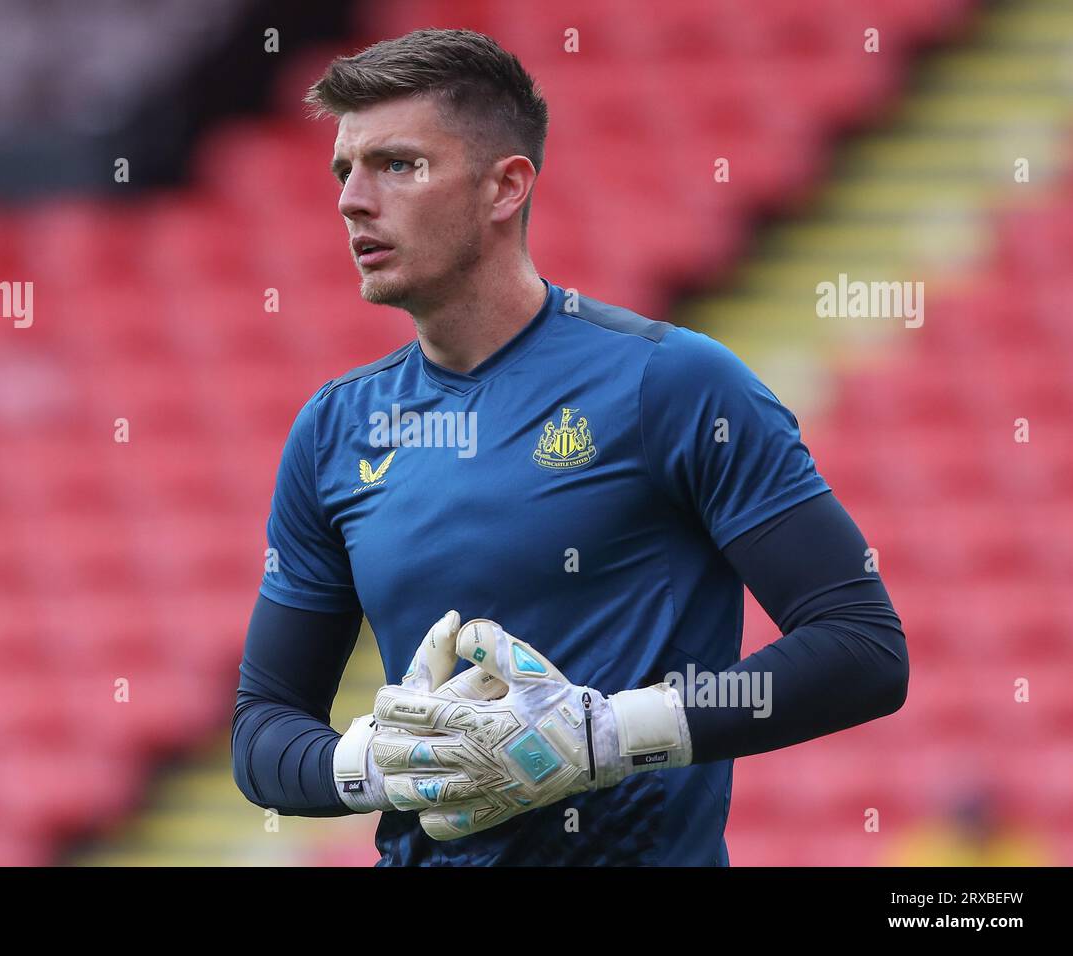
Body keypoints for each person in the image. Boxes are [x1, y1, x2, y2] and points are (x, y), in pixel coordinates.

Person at [231, 28, 908, 865]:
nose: (352, 199)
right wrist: (379, 762)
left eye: (398, 165)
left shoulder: (673, 385)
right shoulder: (335, 430)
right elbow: (262, 728)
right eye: (345, 170)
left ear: (505, 187)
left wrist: (606, 737)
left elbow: (861, 647)